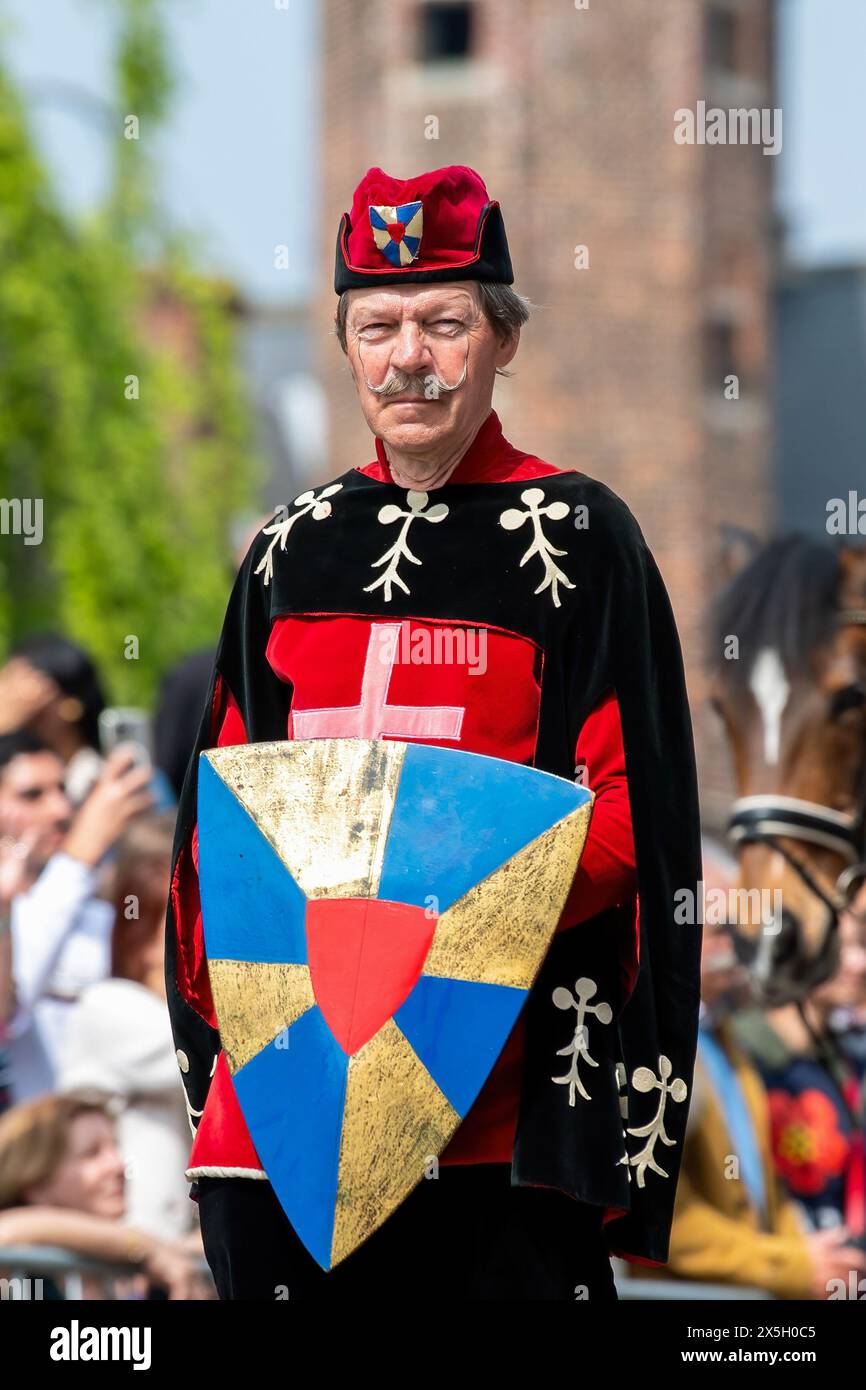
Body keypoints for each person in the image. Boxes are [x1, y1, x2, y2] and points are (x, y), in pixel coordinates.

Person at [166, 164, 702, 1300]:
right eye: (378, 325)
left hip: (494, 1131)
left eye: (443, 323)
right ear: (346, 344)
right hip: (279, 1134)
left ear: (501, 339)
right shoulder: (284, 548)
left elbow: (626, 829)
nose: (408, 355)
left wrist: (428, 930)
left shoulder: (580, 537)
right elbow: (215, 838)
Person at [59, 813, 197, 1242]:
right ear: (137, 932)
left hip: (178, 1261)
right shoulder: (106, 1006)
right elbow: (212, 1053)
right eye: (187, 919)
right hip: (123, 1267)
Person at [0, 732, 153, 1100]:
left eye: (62, 790)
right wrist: (79, 855)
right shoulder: (65, 884)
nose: (61, 811)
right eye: (31, 795)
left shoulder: (95, 903)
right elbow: (10, 1010)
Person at [0, 1092, 203, 1298]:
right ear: (36, 1182)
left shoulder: (128, 1266)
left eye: (115, 1147)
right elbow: (6, 1231)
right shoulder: (19, 1275)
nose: (118, 1165)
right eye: (92, 1153)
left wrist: (169, 1250)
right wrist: (142, 1247)